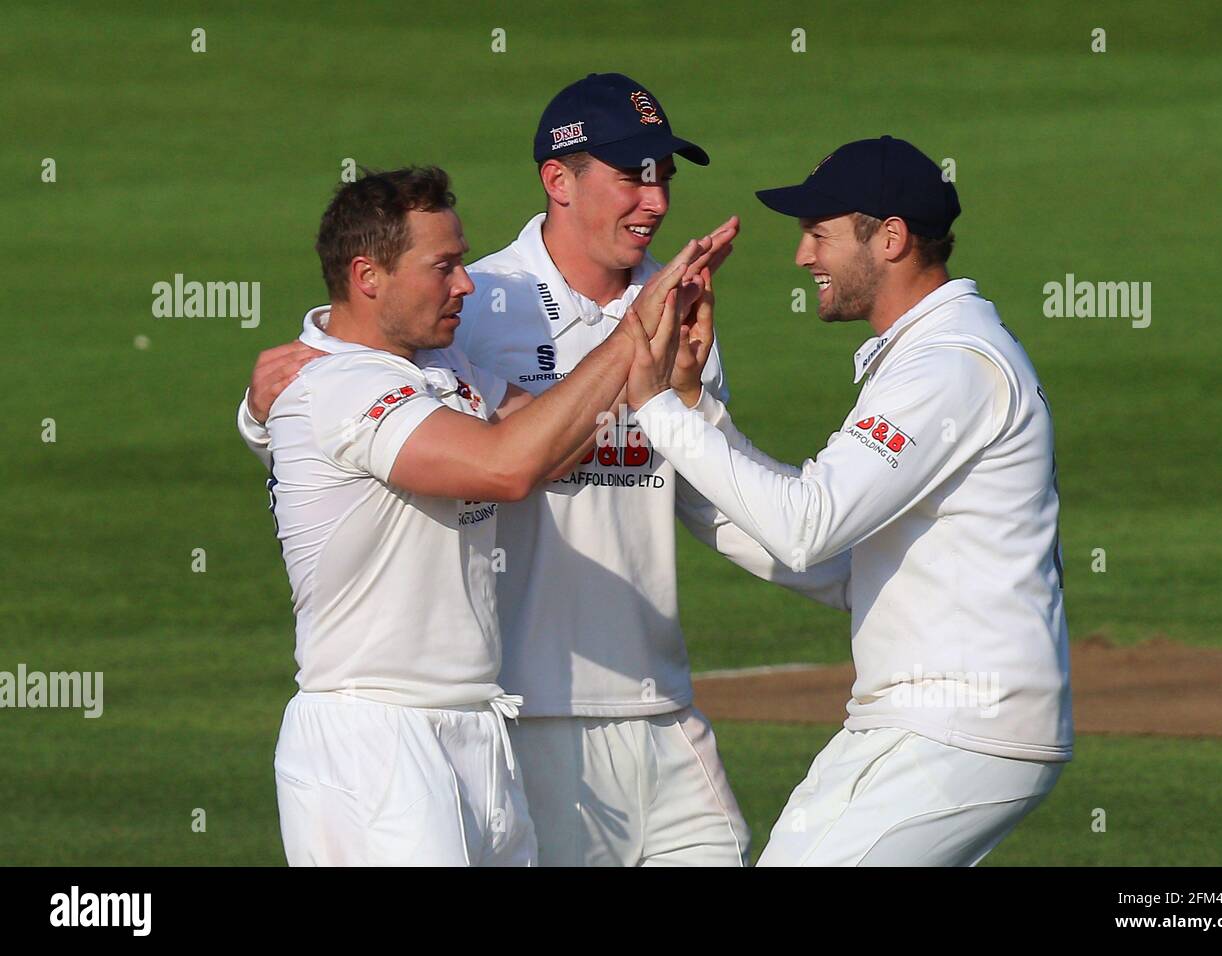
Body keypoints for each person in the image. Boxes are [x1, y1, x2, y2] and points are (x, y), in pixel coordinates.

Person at [240, 74, 850, 867]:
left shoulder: (671, 305)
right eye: (634, 175)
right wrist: (256, 417)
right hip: (524, 714)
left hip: (657, 704)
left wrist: (849, 578)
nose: (657, 200)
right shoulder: (472, 306)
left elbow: (704, 489)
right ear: (559, 180)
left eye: (665, 176)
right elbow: (350, 411)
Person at [628, 136, 1074, 866]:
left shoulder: (948, 366)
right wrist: (689, 410)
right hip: (923, 720)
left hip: (955, 723)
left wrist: (652, 405)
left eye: (820, 234)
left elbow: (806, 527)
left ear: (890, 238)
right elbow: (835, 565)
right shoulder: (928, 354)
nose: (803, 257)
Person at [261, 164, 707, 866]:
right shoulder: (337, 385)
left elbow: (553, 445)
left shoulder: (444, 367)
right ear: (366, 275)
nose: (465, 283)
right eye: (443, 266)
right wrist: (628, 334)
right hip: (375, 737)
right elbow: (505, 467)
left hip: (477, 725)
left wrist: (662, 375)